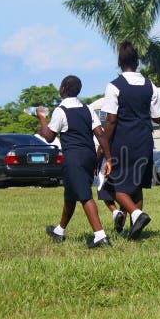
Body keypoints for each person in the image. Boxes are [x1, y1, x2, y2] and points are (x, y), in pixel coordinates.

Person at [36, 75, 112, 248]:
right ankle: (59, 231)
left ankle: (100, 236)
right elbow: (100, 134)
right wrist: (108, 157)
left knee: (84, 195)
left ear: (62, 89)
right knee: (70, 194)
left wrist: (41, 118)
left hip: (73, 158)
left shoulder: (60, 110)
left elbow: (49, 137)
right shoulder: (87, 109)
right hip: (89, 156)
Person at [100, 41, 160, 240]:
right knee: (136, 186)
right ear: (137, 62)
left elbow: (111, 120)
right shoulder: (150, 85)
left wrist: (104, 146)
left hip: (123, 141)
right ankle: (135, 233)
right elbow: (158, 118)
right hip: (145, 140)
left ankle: (137, 215)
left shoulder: (114, 86)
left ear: (120, 62)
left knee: (114, 185)